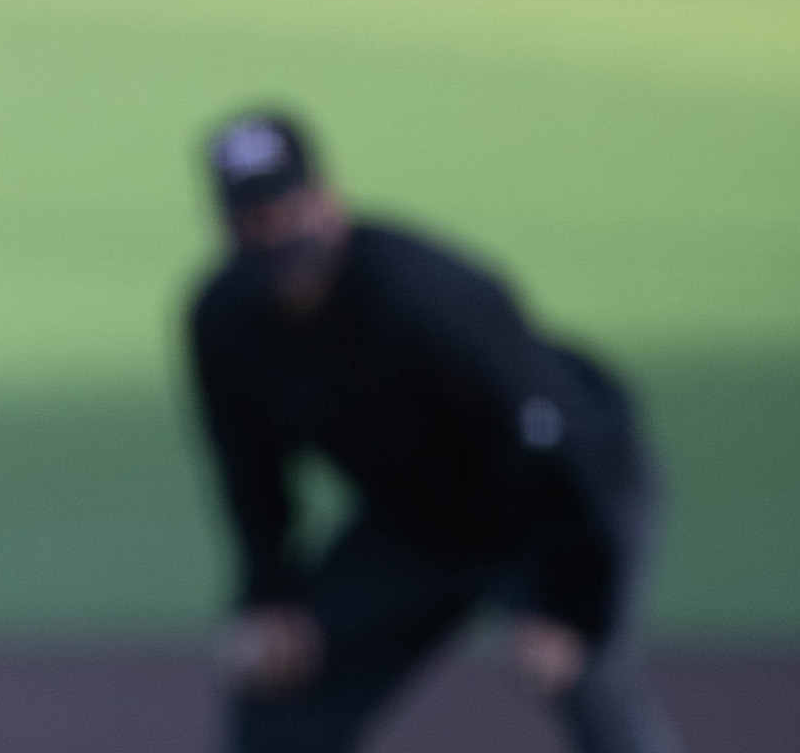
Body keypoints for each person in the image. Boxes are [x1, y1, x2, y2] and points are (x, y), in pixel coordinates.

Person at [185, 114, 684, 753]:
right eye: (252, 219)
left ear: (327, 201)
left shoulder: (424, 294)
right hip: (421, 524)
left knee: (583, 673)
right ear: (226, 226)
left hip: (560, 496)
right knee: (280, 684)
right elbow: (248, 467)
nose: (272, 233)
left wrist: (570, 602)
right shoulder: (222, 322)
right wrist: (269, 593)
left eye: (285, 209)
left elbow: (547, 432)